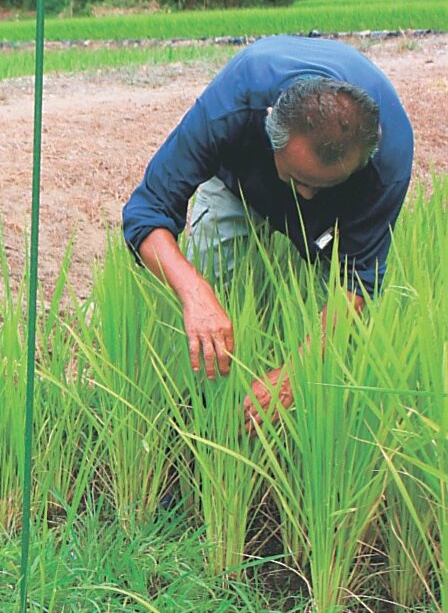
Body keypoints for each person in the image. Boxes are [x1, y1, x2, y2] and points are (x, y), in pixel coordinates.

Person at [122, 35, 414, 426]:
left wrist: (298, 369)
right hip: (241, 184)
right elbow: (146, 212)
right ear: (269, 127)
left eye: (323, 185)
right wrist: (196, 293)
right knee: (205, 296)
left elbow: (358, 279)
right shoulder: (236, 102)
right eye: (298, 180)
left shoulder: (388, 158)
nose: (307, 196)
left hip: (335, 219)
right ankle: (194, 414)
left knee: (326, 327)